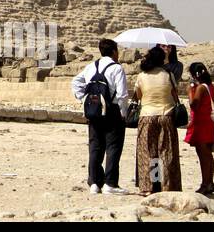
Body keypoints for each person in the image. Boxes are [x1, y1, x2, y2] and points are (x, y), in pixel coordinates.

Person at [71, 38, 129, 195]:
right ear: (114, 51)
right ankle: (110, 183)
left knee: (95, 147)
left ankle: (95, 183)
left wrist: (83, 99)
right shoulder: (117, 68)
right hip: (112, 112)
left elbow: (76, 82)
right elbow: (123, 95)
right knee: (113, 148)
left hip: (94, 112)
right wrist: (124, 113)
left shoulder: (91, 66)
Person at [132, 45, 182, 194]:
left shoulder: (141, 76)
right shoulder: (169, 75)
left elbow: (138, 96)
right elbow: (175, 96)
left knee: (148, 154)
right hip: (166, 116)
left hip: (147, 117)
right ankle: (166, 186)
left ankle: (150, 187)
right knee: (165, 154)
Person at [185, 61, 214, 195]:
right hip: (208, 123)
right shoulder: (210, 86)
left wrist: (189, 92)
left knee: (203, 155)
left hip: (201, 124)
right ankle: (210, 182)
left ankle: (205, 184)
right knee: (208, 155)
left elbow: (194, 105)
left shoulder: (200, 88)